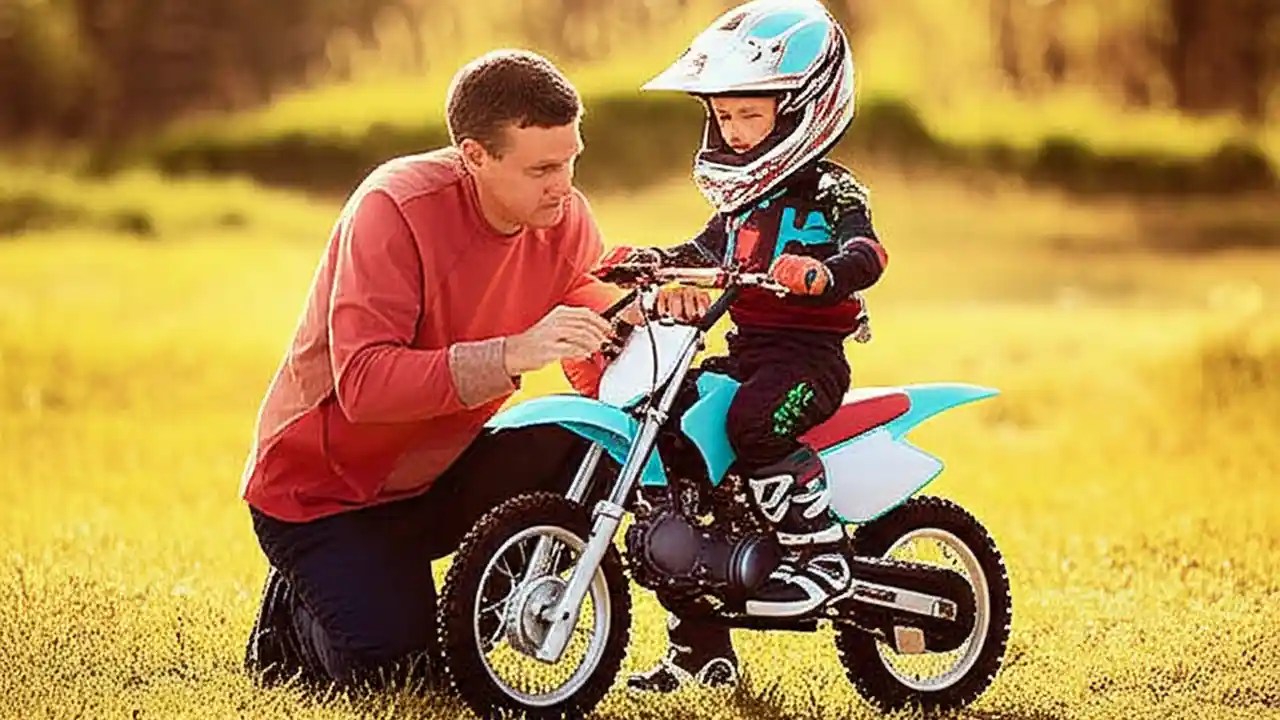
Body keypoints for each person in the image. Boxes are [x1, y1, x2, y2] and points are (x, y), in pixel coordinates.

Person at [238, 48, 629, 692]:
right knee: (409, 678)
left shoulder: (560, 215)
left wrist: (644, 313)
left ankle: (461, 602)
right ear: (475, 156)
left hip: (437, 474)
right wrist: (512, 352)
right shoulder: (393, 209)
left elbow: (594, 317)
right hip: (322, 495)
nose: (564, 184)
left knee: (591, 442)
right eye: (542, 168)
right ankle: (295, 615)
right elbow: (363, 384)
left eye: (571, 160)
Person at [609, 0, 889, 693]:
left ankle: (821, 554)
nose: (734, 132)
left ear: (800, 110)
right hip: (748, 350)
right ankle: (700, 648)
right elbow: (702, 251)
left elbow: (868, 251)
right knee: (672, 439)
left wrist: (824, 272)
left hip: (807, 360)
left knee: (753, 421)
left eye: (750, 116)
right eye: (724, 117)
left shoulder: (832, 189)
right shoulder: (740, 202)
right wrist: (649, 260)